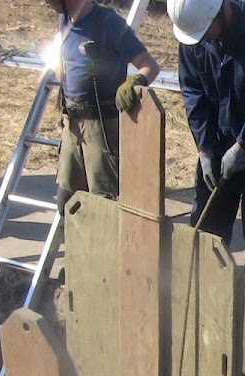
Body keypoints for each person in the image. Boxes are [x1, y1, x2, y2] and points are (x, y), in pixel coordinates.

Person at [169, 0, 245, 268]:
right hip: (217, 146)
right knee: (207, 231)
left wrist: (243, 143)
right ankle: (206, 301)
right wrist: (205, 149)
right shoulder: (194, 37)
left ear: (221, 13)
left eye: (206, 33)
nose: (204, 39)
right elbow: (193, 93)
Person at [48, 0, 159, 218]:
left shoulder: (109, 23)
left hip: (100, 127)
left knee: (104, 205)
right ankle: (77, 251)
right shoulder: (65, 20)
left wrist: (136, 82)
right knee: (68, 203)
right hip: (72, 127)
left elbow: (150, 65)